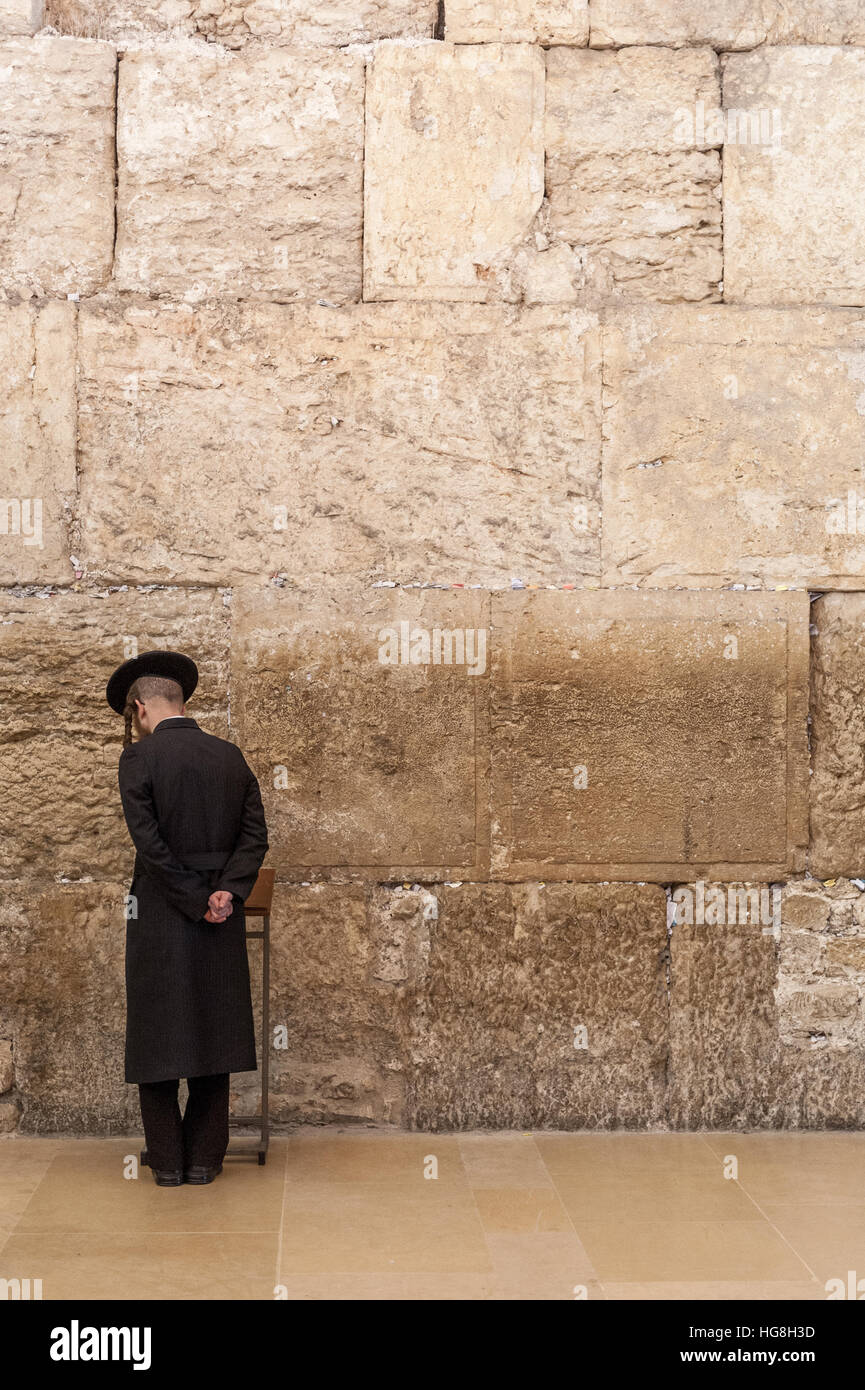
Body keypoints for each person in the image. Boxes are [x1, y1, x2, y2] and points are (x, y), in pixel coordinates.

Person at [105, 649, 269, 1187]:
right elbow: (254, 839)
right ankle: (205, 1159)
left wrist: (192, 896)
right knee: (213, 1027)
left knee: (157, 1033)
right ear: (179, 701)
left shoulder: (139, 760)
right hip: (217, 914)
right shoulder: (230, 756)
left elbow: (149, 847)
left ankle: (168, 1162)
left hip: (159, 909)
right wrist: (224, 893)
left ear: (139, 707)